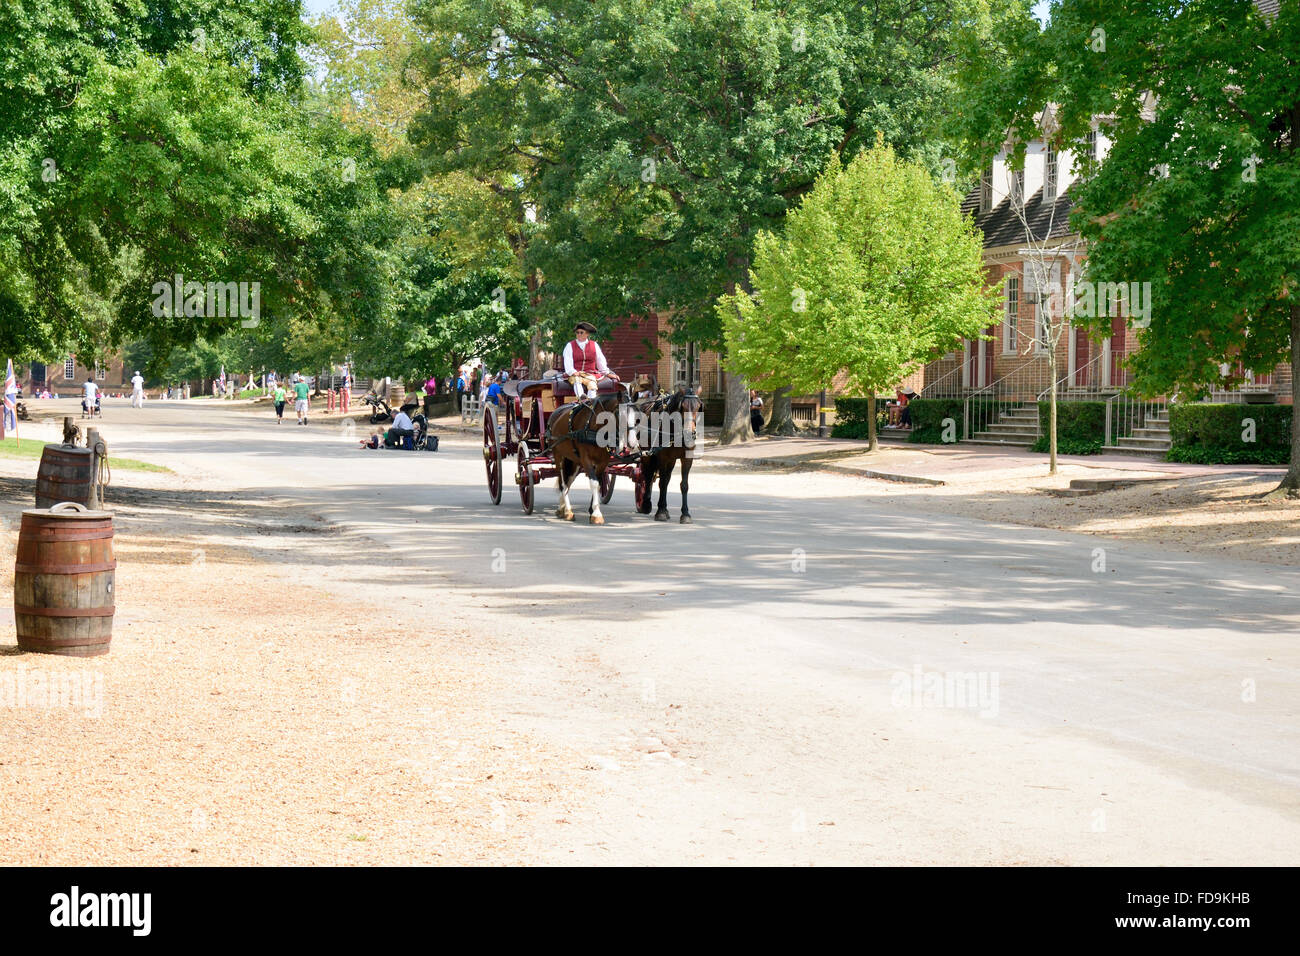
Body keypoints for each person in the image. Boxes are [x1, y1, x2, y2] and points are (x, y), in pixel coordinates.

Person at [562, 321, 612, 403]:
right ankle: (582, 399)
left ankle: (590, 402)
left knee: (592, 384)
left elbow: (600, 361)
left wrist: (607, 372)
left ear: (587, 334)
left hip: (590, 374)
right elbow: (568, 362)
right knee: (577, 380)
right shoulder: (570, 346)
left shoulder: (594, 345)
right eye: (577, 333)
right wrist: (573, 372)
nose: (579, 334)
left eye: (581, 332)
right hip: (576, 374)